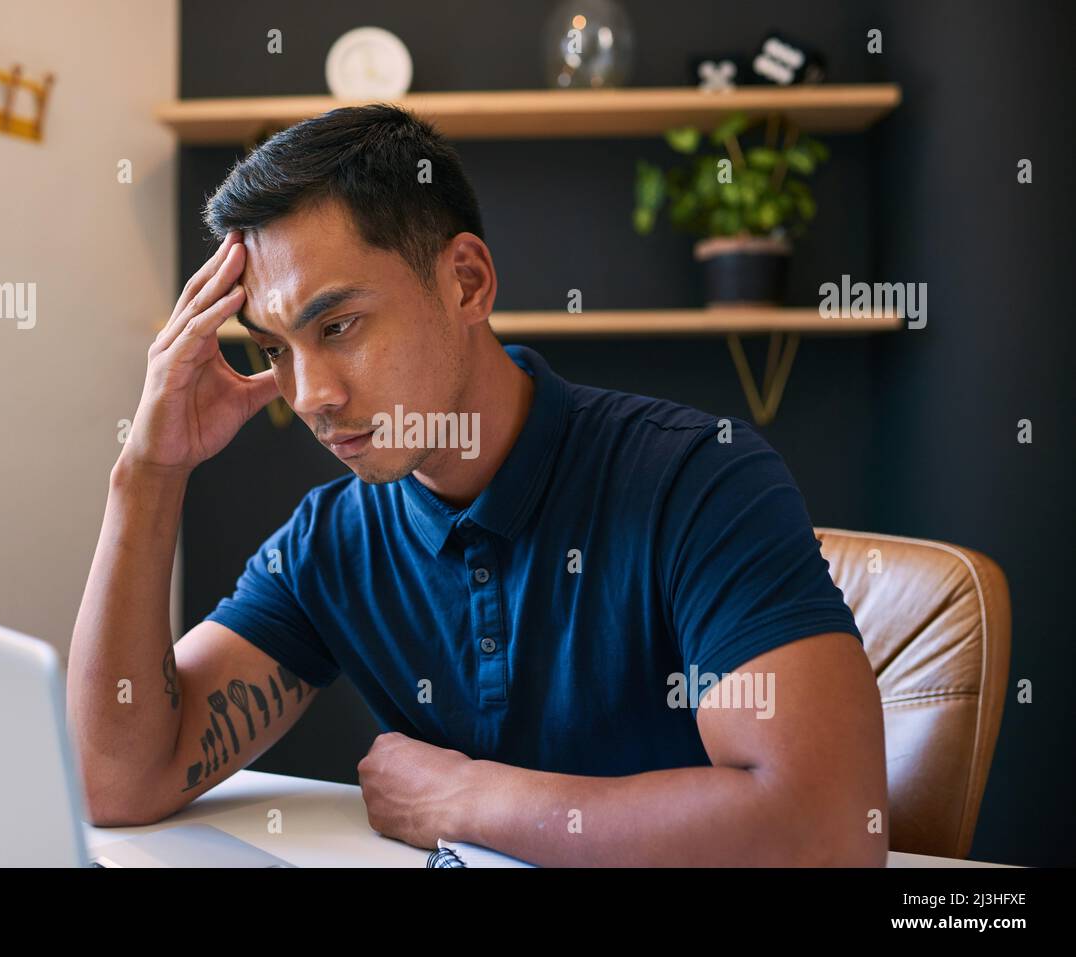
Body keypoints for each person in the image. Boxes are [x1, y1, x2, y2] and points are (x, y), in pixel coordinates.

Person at [67, 104, 887, 867]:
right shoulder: (332, 541)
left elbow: (828, 829)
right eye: (275, 347)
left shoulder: (697, 479)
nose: (308, 393)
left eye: (338, 325)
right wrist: (148, 471)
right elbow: (119, 781)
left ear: (466, 282)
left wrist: (465, 797)